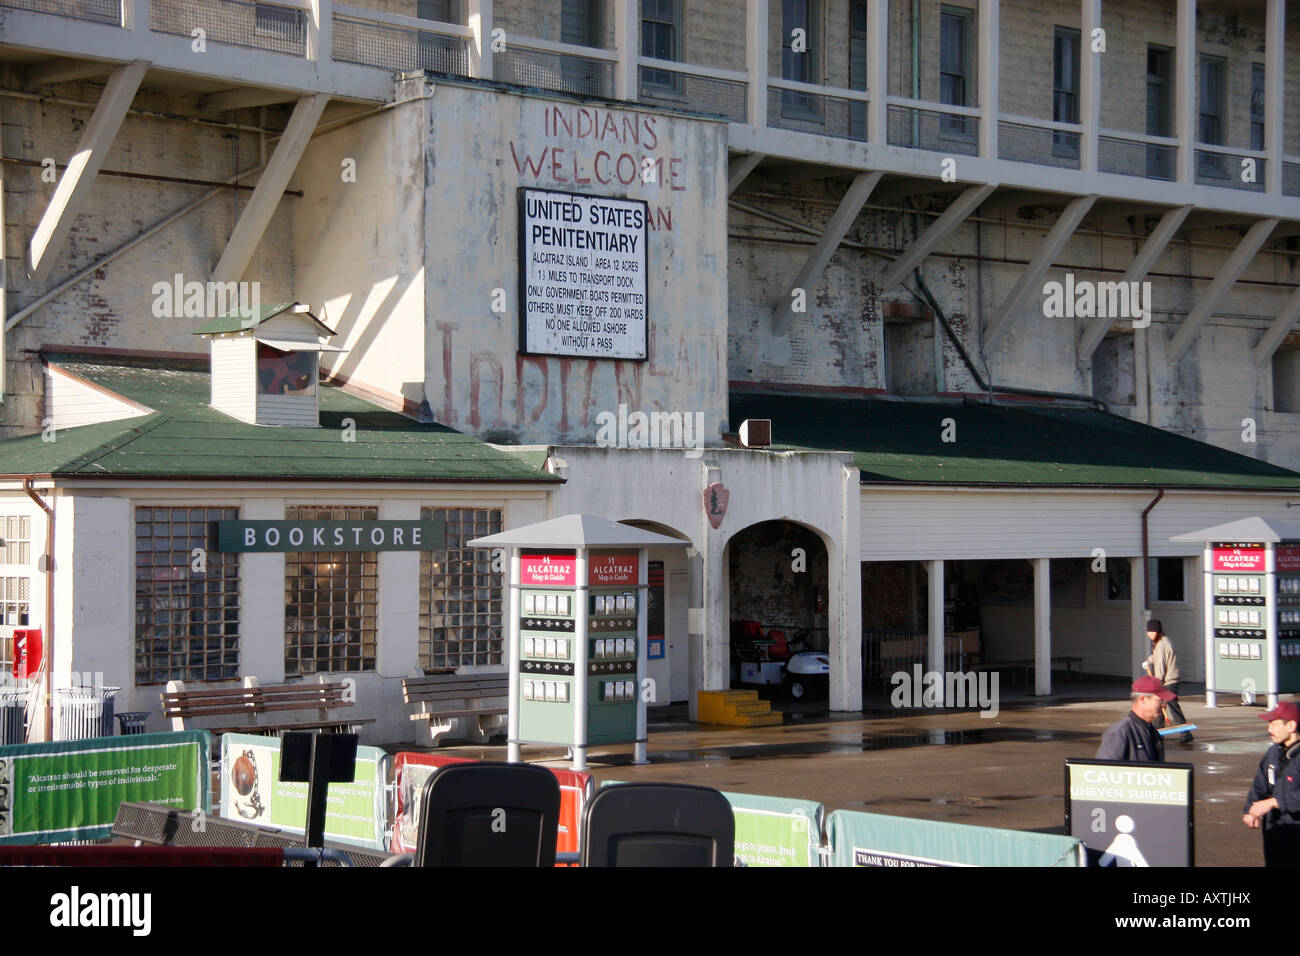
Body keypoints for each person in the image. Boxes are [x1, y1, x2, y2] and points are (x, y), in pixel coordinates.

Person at [1242, 701, 1300, 866]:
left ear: (1291, 726)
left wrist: (1274, 802)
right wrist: (1249, 810)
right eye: (1269, 724)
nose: (1269, 730)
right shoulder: (1273, 752)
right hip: (1274, 831)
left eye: (1273, 724)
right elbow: (1259, 784)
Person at [1095, 676, 1174, 762]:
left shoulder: (1153, 733)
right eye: (1161, 700)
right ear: (1143, 699)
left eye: (1165, 701)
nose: (1164, 705)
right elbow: (1105, 770)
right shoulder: (1119, 732)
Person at [1141, 619, 1191, 740]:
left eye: (1151, 631)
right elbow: (1156, 657)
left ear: (1157, 631)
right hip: (1169, 680)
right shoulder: (1162, 642)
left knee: (1172, 706)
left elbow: (1161, 665)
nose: (1149, 634)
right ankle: (1157, 731)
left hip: (1168, 681)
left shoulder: (1162, 645)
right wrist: (1149, 661)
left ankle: (1185, 733)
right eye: (1148, 631)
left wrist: (1157, 682)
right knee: (1160, 706)